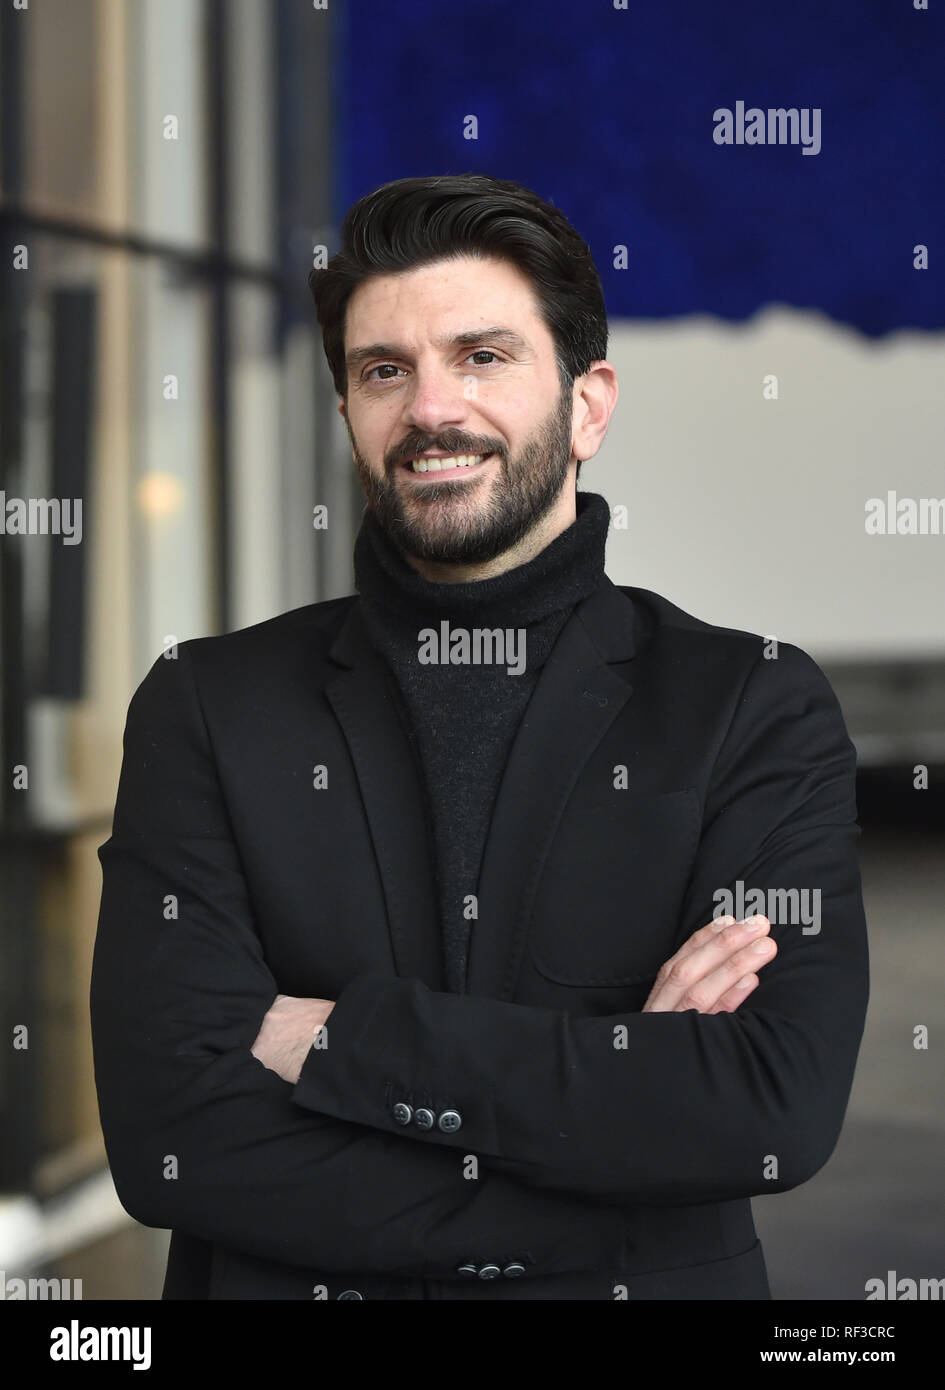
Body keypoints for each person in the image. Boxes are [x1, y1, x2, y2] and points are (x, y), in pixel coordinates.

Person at [90, 173, 869, 1300]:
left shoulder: (748, 704)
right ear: (350, 411)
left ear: (589, 404)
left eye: (483, 356)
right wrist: (619, 1144)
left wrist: (343, 1042)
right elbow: (175, 1140)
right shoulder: (207, 704)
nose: (430, 410)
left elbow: (765, 1108)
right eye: (383, 371)